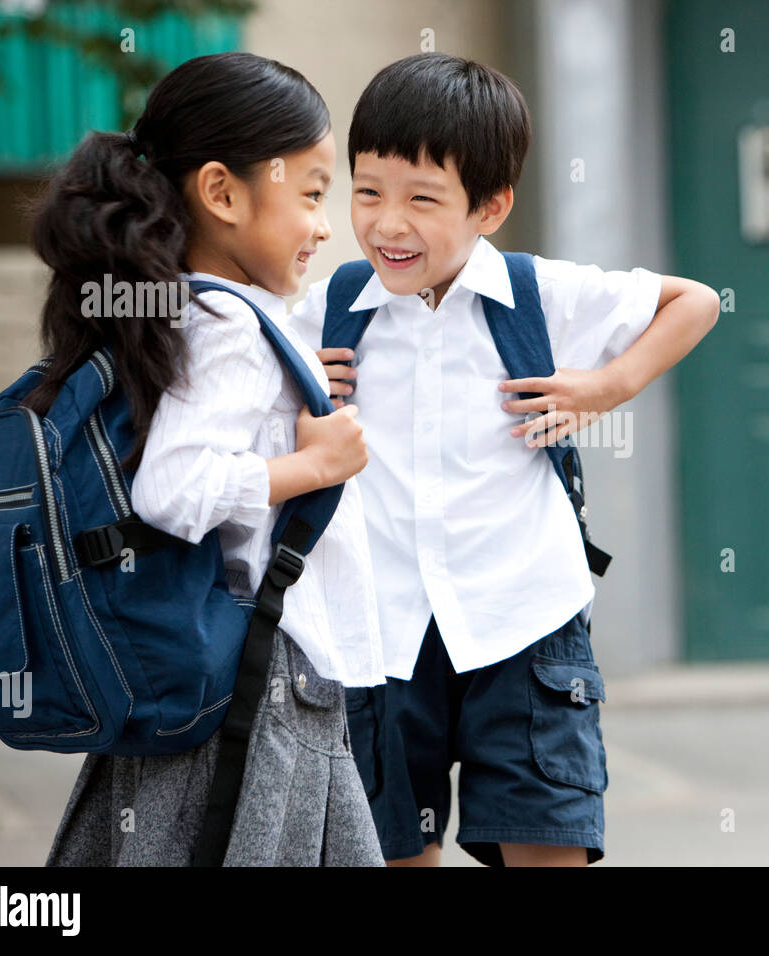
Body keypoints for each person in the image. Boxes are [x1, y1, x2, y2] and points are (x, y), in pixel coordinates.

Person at [290, 52, 719, 866]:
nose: (387, 223)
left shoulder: (540, 295)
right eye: (369, 191)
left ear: (489, 206)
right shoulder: (327, 309)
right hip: (376, 637)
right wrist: (299, 391)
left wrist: (603, 386)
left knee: (546, 850)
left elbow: (694, 300)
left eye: (422, 199)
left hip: (524, 627)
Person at [34, 51, 386, 866]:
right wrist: (317, 465)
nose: (325, 223)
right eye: (309, 193)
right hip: (259, 685)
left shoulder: (180, 313)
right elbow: (174, 489)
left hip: (213, 674)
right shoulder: (228, 325)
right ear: (223, 193)